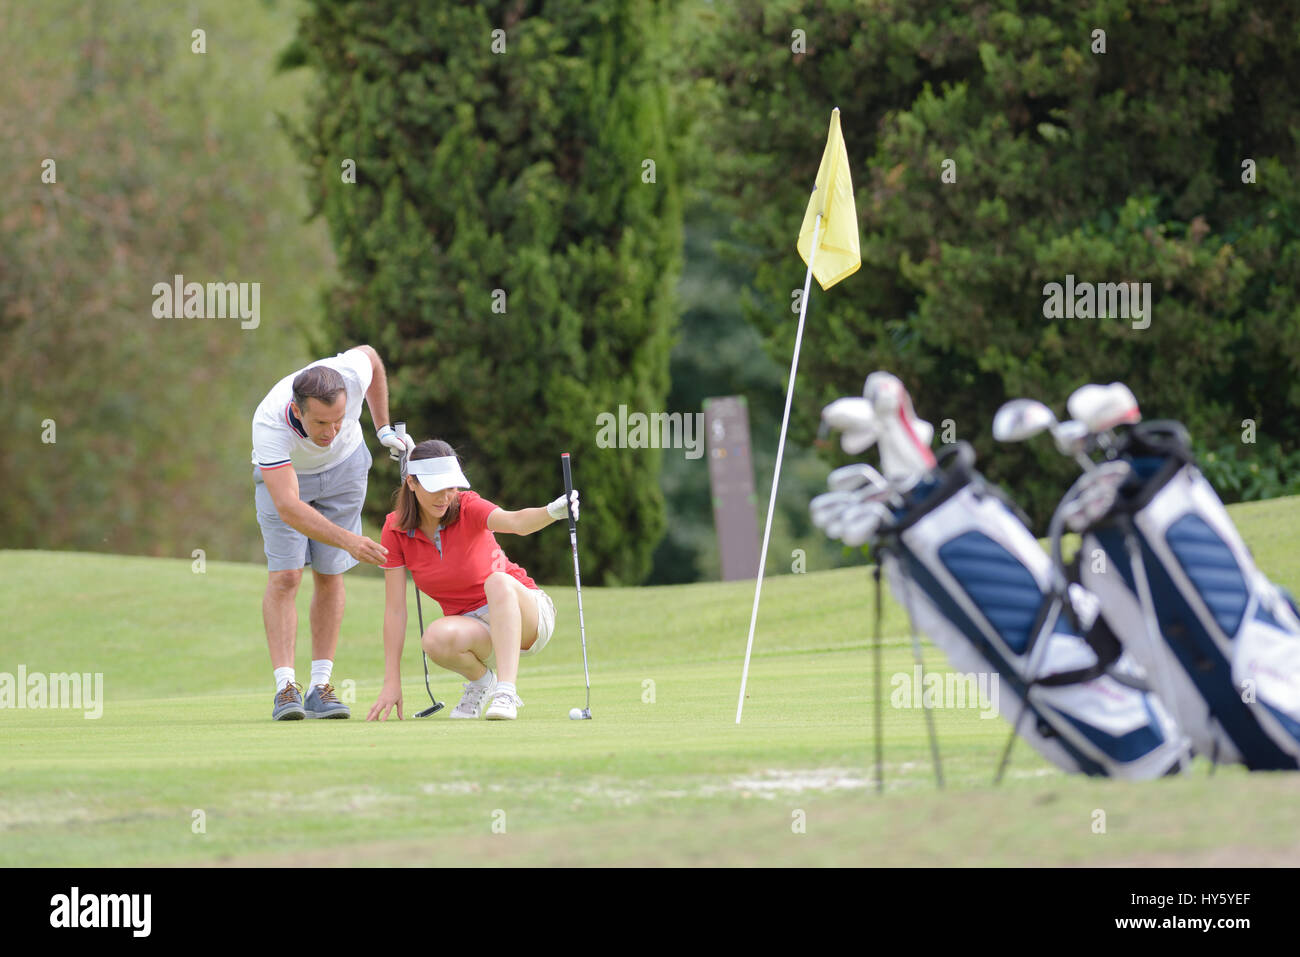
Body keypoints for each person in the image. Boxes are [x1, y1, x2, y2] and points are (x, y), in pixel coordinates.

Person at [250, 345, 415, 721]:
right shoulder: (270, 422)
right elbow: (289, 507)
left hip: (346, 470)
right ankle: (285, 688)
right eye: (321, 423)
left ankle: (320, 688)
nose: (331, 430)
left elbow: (373, 356)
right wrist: (351, 541)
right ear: (298, 411)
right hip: (288, 478)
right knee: (287, 576)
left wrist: (383, 427)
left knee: (330, 573)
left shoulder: (351, 376)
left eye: (338, 419)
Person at [366, 440, 578, 721]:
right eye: (435, 488)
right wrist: (391, 681)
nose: (445, 497)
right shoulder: (395, 529)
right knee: (433, 639)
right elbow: (395, 610)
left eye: (451, 487)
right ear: (412, 483)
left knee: (497, 581)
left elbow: (515, 522)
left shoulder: (468, 507)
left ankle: (506, 691)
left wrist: (552, 512)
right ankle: (481, 682)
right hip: (477, 631)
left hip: (528, 616)